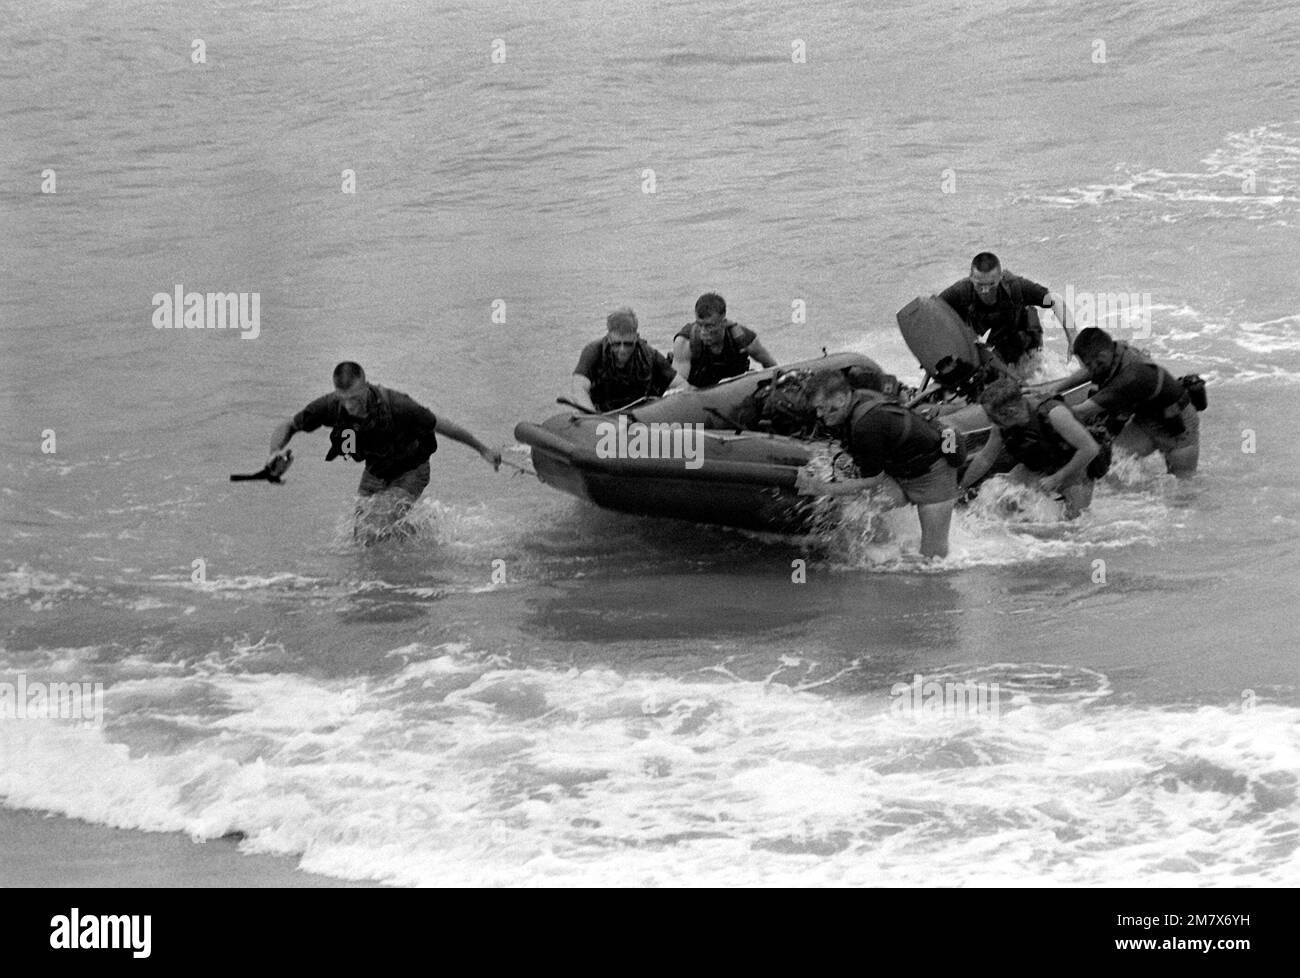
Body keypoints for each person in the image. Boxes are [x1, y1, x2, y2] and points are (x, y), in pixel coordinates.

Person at [266, 362, 501, 531]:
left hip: (411, 469)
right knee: (359, 533)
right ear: (337, 394)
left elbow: (443, 425)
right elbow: (288, 425)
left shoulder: (397, 405)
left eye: (356, 399)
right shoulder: (330, 405)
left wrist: (483, 450)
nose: (351, 406)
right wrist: (274, 453)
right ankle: (419, 537)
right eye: (344, 400)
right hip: (375, 471)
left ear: (366, 387)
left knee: (377, 524)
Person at [795, 371, 959, 558]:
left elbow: (872, 480)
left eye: (822, 408)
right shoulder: (856, 401)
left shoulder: (865, 424)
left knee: (934, 557)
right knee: (854, 515)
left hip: (933, 476)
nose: (819, 414)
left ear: (841, 399)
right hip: (899, 472)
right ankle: (892, 551)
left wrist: (821, 487)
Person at [1041, 327, 1199, 477]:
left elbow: (1081, 411)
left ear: (1102, 356)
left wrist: (1045, 409)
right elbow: (1089, 372)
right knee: (1109, 464)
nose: (1089, 369)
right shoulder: (1116, 350)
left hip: (1181, 429)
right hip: (1146, 423)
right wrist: (1055, 389)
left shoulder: (1130, 377)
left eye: (1090, 365)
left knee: (1183, 490)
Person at [960, 379, 1101, 519]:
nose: (990, 421)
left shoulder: (1055, 414)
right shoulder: (1001, 426)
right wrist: (961, 487)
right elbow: (985, 458)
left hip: (1076, 469)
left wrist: (1057, 478)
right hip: (1037, 467)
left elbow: (1090, 449)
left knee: (1073, 522)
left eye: (991, 416)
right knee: (1001, 500)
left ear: (1011, 411)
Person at [938, 252, 1073, 372]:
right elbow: (933, 313)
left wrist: (1072, 337)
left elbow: (1055, 299)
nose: (986, 291)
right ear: (971, 278)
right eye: (980, 285)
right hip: (988, 348)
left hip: (1024, 345)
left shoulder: (1016, 286)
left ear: (1000, 278)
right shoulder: (960, 292)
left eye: (991, 284)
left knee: (1032, 376)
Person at [571, 307, 683, 413]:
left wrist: (669, 398)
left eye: (628, 344)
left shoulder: (650, 355)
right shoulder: (593, 351)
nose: (622, 350)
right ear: (608, 338)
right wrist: (592, 418)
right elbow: (579, 388)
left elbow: (682, 385)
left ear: (636, 337)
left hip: (640, 415)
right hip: (602, 414)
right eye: (616, 344)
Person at [672, 292, 777, 388]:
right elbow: (678, 385)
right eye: (700, 325)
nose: (703, 332)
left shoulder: (742, 338)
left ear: (723, 323)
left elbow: (773, 368)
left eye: (709, 326)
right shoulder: (685, 343)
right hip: (697, 393)